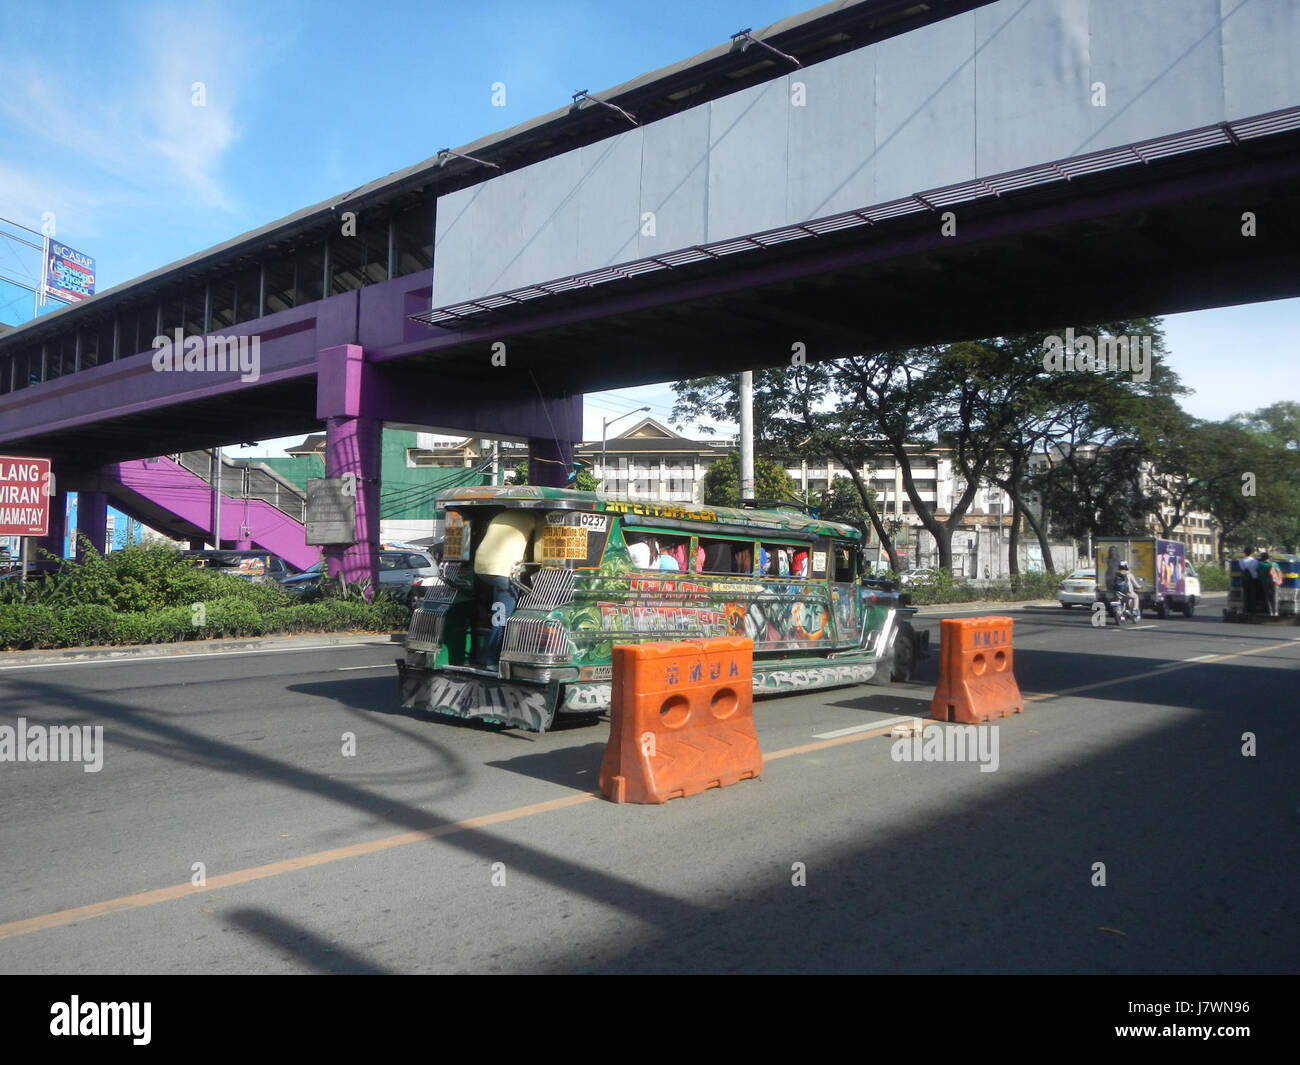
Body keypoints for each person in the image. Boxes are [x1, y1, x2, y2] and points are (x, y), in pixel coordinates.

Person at [474, 510, 537, 669]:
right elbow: (541, 553)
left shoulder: (499, 515)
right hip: (503, 571)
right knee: (502, 618)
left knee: (498, 610)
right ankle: (493, 661)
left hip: (481, 567)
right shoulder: (535, 517)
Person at [1258, 552, 1280, 617]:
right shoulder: (1275, 564)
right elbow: (1279, 572)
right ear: (1268, 558)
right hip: (1275, 583)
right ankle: (1275, 612)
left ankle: (1270, 612)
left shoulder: (1261, 564)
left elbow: (1258, 572)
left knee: (1268, 598)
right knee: (1275, 597)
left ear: (1262, 558)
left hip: (1266, 583)